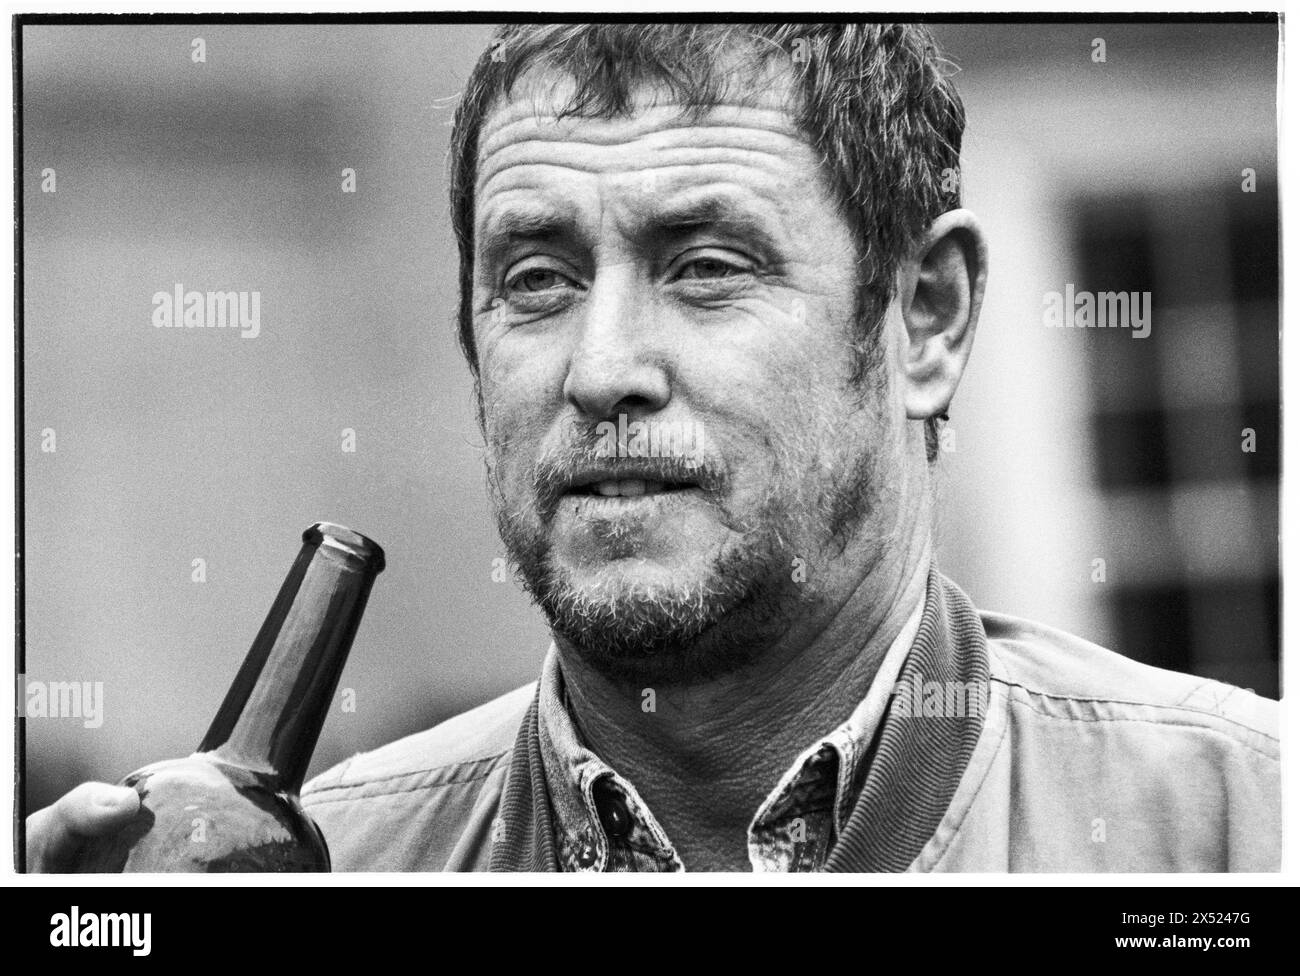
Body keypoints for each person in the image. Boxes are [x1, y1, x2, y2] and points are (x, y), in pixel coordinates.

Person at [28, 22, 1279, 873]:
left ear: (924, 317)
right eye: (535, 277)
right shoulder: (340, 866)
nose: (601, 366)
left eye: (706, 266)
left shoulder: (1237, 827)